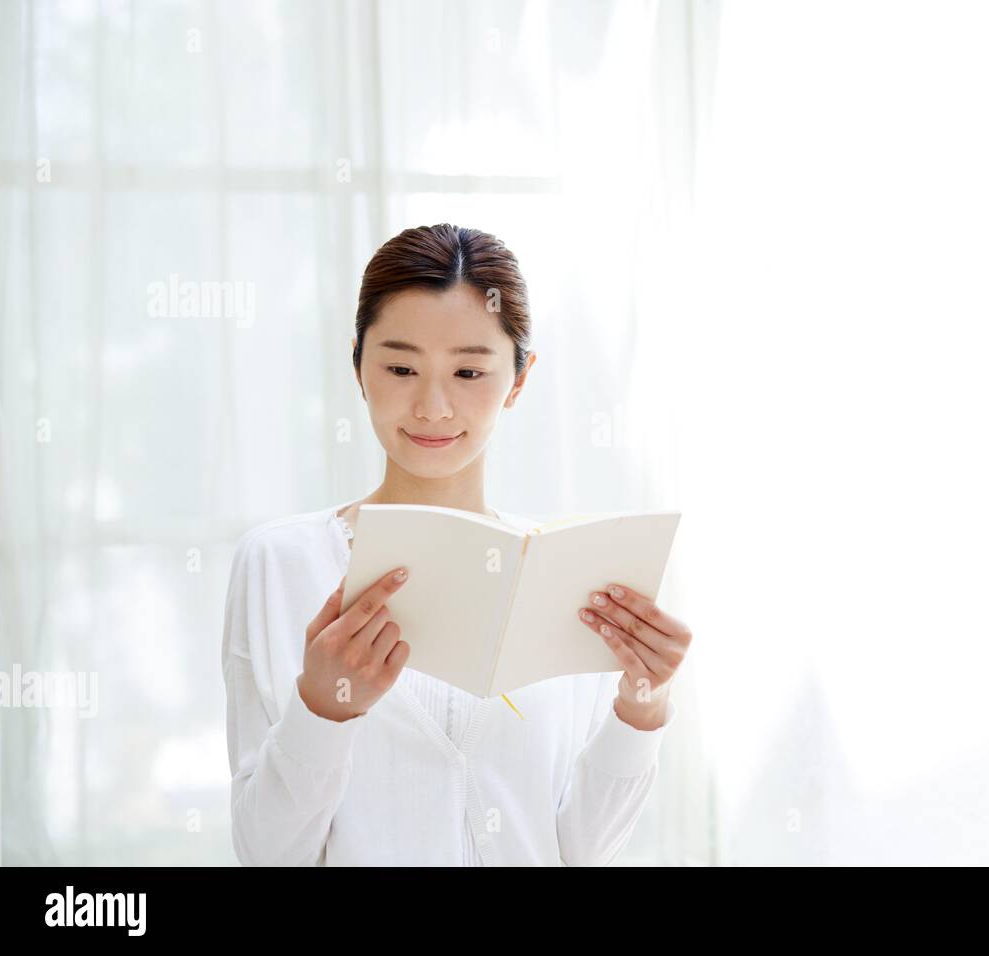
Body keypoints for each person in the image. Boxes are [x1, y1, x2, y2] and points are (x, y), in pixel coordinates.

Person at [221, 224, 692, 865]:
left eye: (469, 370)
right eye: (400, 367)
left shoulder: (567, 574)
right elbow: (267, 855)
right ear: (358, 365)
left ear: (520, 379)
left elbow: (580, 851)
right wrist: (323, 708)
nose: (434, 407)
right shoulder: (280, 565)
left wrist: (644, 703)